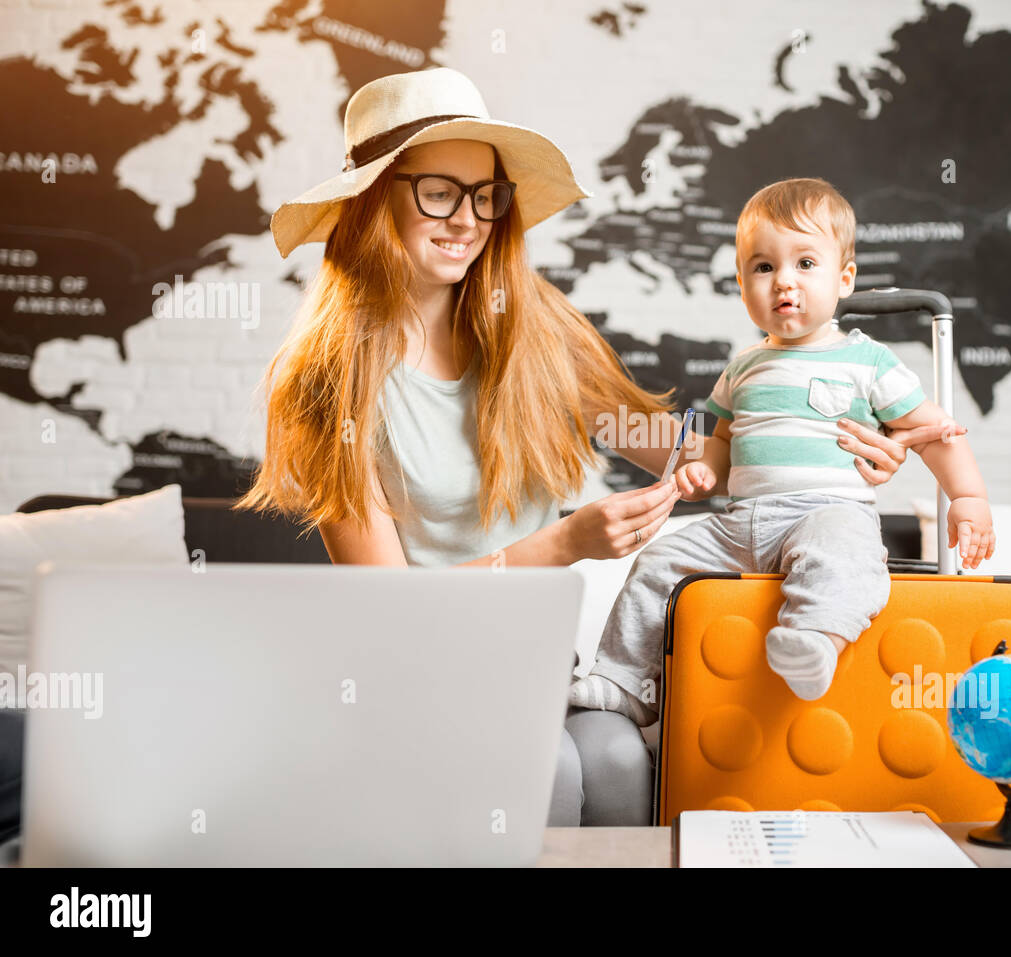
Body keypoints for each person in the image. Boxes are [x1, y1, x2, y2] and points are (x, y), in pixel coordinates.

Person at [236, 71, 943, 826]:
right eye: (438, 191)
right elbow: (391, 610)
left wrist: (842, 450)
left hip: (539, 666)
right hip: (414, 676)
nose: (467, 219)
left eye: (485, 195)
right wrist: (564, 543)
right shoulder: (323, 385)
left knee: (616, 758)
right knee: (553, 769)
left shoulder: (530, 331)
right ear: (374, 198)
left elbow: (682, 457)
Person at [569, 178, 995, 725]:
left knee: (842, 557)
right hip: (739, 522)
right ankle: (623, 680)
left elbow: (935, 429)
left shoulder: (868, 361)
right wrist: (702, 471)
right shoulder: (742, 367)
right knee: (657, 561)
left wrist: (968, 496)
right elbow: (721, 443)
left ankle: (815, 642)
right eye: (763, 267)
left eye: (805, 264)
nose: (783, 282)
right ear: (742, 283)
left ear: (844, 280)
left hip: (824, 511)